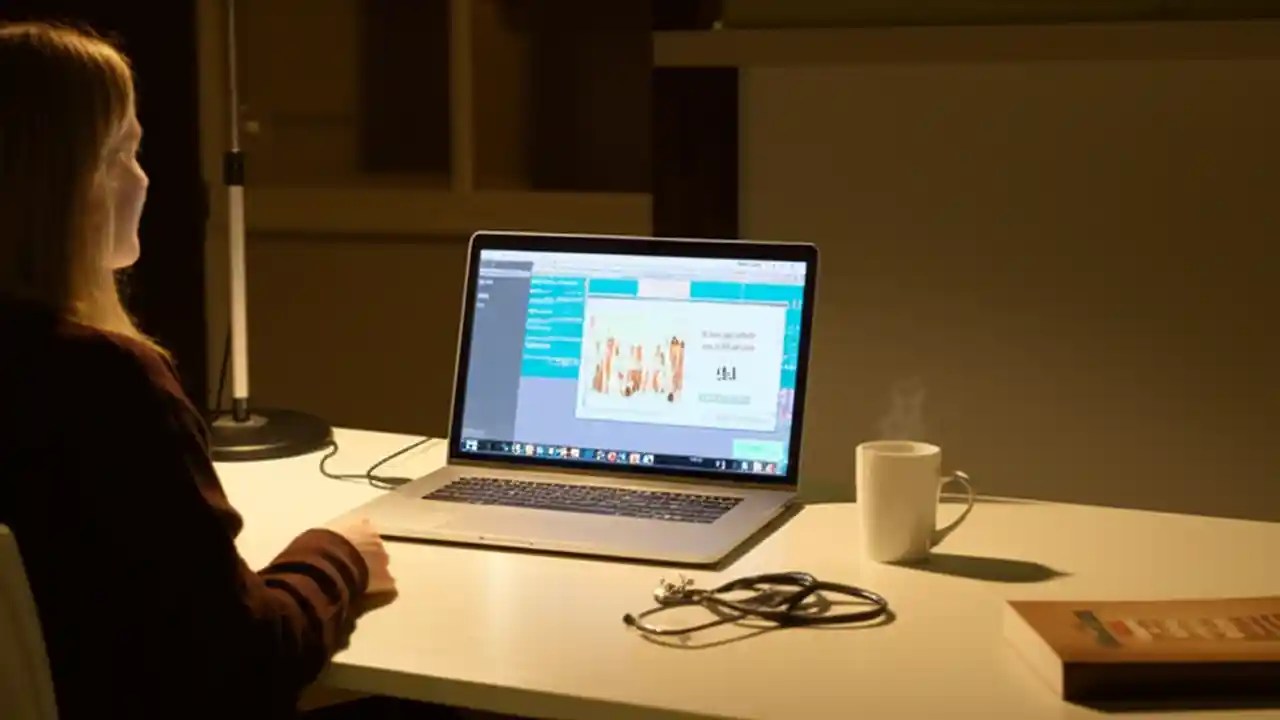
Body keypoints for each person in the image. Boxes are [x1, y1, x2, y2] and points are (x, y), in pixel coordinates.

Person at [0, 21, 395, 718]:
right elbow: (248, 659)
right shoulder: (104, 384)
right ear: (54, 184)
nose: (143, 178)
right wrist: (337, 554)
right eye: (118, 152)